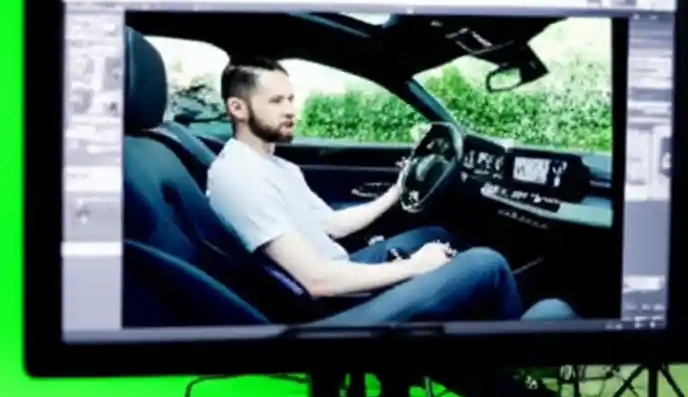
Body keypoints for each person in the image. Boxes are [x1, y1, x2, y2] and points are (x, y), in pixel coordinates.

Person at [206, 59, 575, 324]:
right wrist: (415, 267)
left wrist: (398, 190)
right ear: (238, 108)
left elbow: (333, 226)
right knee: (487, 264)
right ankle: (512, 373)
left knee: (437, 235)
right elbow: (317, 281)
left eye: (290, 98)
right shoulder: (238, 177)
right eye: (277, 101)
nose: (291, 110)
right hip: (325, 310)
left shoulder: (276, 166)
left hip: (338, 275)